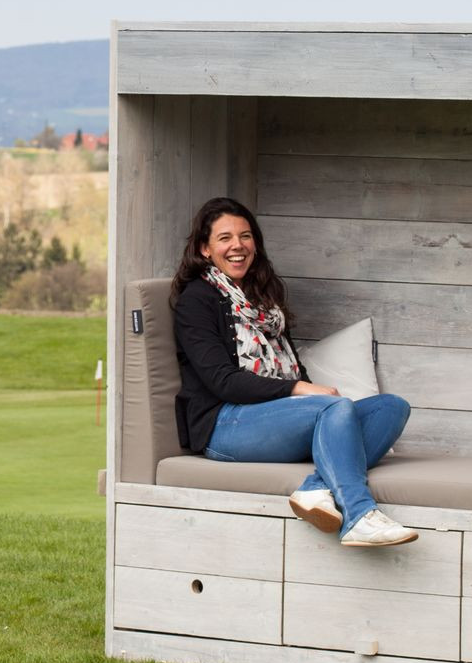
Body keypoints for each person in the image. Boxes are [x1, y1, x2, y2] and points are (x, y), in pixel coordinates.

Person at [170, 196, 417, 547]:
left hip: (275, 420)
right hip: (224, 425)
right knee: (334, 406)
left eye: (245, 236)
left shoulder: (261, 299)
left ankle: (316, 488)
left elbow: (290, 367)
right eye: (225, 238)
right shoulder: (197, 299)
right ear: (205, 249)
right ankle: (359, 515)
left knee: (391, 407)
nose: (238, 246)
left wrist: (302, 391)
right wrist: (300, 390)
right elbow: (222, 381)